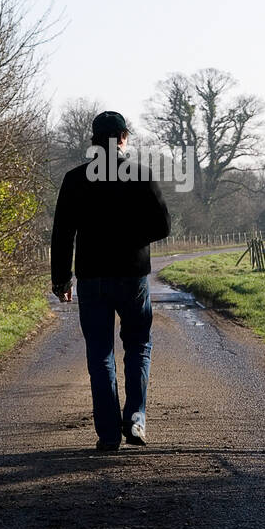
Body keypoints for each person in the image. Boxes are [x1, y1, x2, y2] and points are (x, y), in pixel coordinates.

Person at [50, 111, 171, 451]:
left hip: (91, 277)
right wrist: (131, 237)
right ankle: (135, 420)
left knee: (100, 354)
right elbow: (162, 227)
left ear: (93, 139)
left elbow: (62, 234)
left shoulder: (75, 179)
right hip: (132, 275)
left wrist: (61, 278)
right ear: (122, 137)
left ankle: (107, 435)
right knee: (138, 347)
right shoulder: (140, 175)